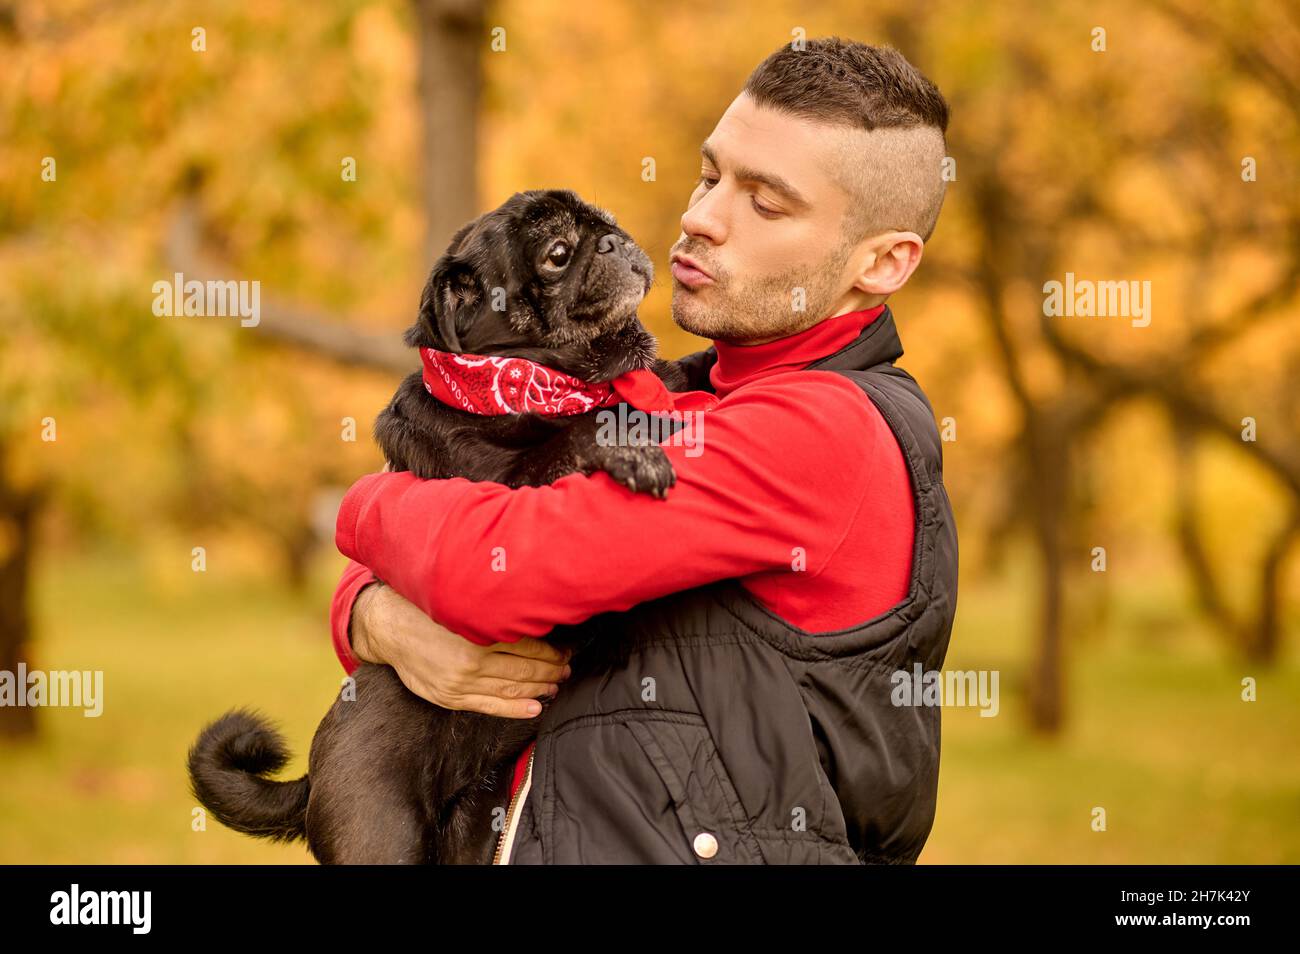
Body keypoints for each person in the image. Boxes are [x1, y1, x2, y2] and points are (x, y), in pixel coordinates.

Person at [330, 36, 958, 864]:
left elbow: (493, 569)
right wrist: (374, 618)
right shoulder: (690, 393)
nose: (700, 217)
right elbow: (444, 545)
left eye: (766, 204)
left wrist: (366, 505)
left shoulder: (819, 433)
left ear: (882, 263)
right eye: (710, 176)